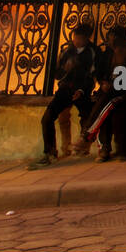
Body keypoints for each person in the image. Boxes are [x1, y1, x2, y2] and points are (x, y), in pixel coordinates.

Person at [32, 22, 94, 167]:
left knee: (87, 116)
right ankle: (50, 151)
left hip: (81, 91)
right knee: (47, 118)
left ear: (86, 39)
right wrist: (63, 69)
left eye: (80, 38)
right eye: (75, 38)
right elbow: (57, 74)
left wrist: (81, 91)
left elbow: (91, 76)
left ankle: (83, 147)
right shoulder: (67, 51)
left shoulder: (92, 52)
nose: (77, 41)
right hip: (65, 89)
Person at [88, 25, 126, 161]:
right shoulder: (106, 53)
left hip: (125, 92)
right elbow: (99, 72)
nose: (110, 41)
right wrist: (103, 83)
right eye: (110, 38)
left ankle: (122, 149)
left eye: (113, 39)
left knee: (113, 109)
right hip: (109, 91)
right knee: (105, 110)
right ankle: (104, 148)